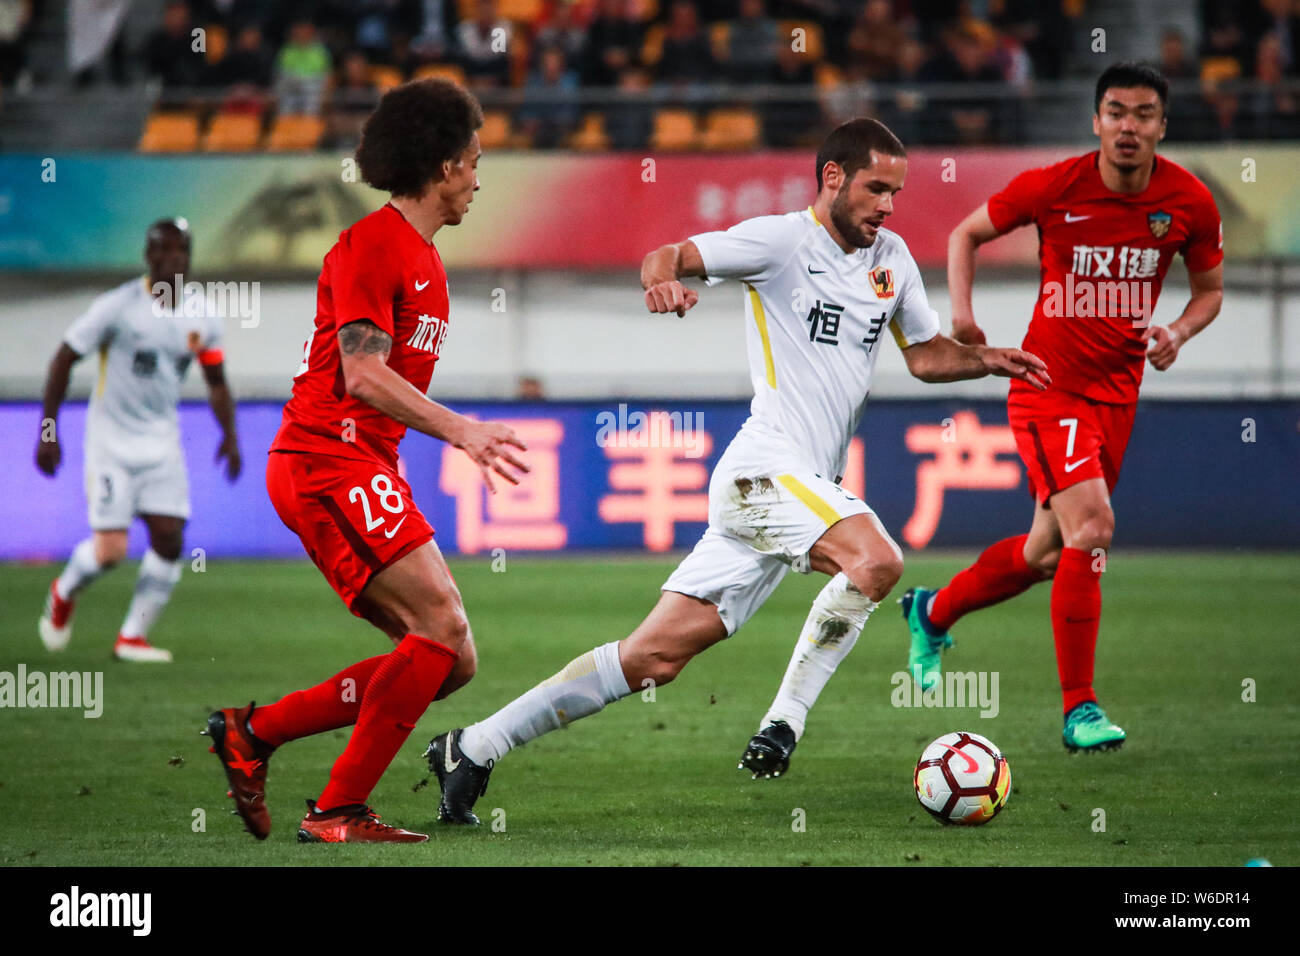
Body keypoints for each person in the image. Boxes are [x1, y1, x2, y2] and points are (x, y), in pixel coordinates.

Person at [426, 117, 1049, 823]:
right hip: (765, 473)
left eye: (897, 192)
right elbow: (666, 255)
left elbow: (927, 354)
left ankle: (473, 747)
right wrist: (661, 283)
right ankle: (784, 723)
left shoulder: (893, 259)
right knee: (876, 561)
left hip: (795, 491)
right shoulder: (781, 241)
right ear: (834, 178)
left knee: (652, 659)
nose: (888, 206)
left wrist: (988, 360)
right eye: (877, 189)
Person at [204, 79, 528, 844]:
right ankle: (336, 809)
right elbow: (362, 374)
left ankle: (255, 734)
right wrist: (462, 432)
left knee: (450, 659)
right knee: (442, 626)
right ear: (445, 166)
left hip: (359, 466)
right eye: (475, 163)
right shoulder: (371, 244)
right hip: (324, 461)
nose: (480, 180)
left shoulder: (425, 262)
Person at [900, 64, 1224, 753]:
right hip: (1048, 386)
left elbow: (1209, 292)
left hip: (1117, 397)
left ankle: (931, 611)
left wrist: (1177, 332)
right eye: (1115, 112)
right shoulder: (1056, 186)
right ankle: (1080, 711)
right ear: (1095, 121)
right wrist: (964, 318)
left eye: (1143, 114)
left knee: (1049, 551)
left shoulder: (1190, 202)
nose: (1128, 127)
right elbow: (965, 234)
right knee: (1095, 526)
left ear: (1163, 126)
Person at [36, 219, 240, 663]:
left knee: (170, 538)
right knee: (111, 551)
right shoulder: (117, 306)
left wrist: (231, 437)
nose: (174, 260)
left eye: (182, 251)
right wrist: (48, 431)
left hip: (162, 443)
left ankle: (132, 636)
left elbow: (217, 381)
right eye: (164, 251)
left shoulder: (202, 314)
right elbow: (63, 359)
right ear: (148, 257)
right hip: (110, 442)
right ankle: (64, 589)